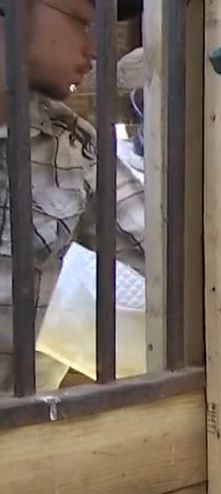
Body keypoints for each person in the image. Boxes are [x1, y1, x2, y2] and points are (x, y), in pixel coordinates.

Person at [0, 0, 147, 394]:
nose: (95, 48)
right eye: (81, 23)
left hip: (19, 419)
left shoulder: (75, 147)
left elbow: (165, 253)